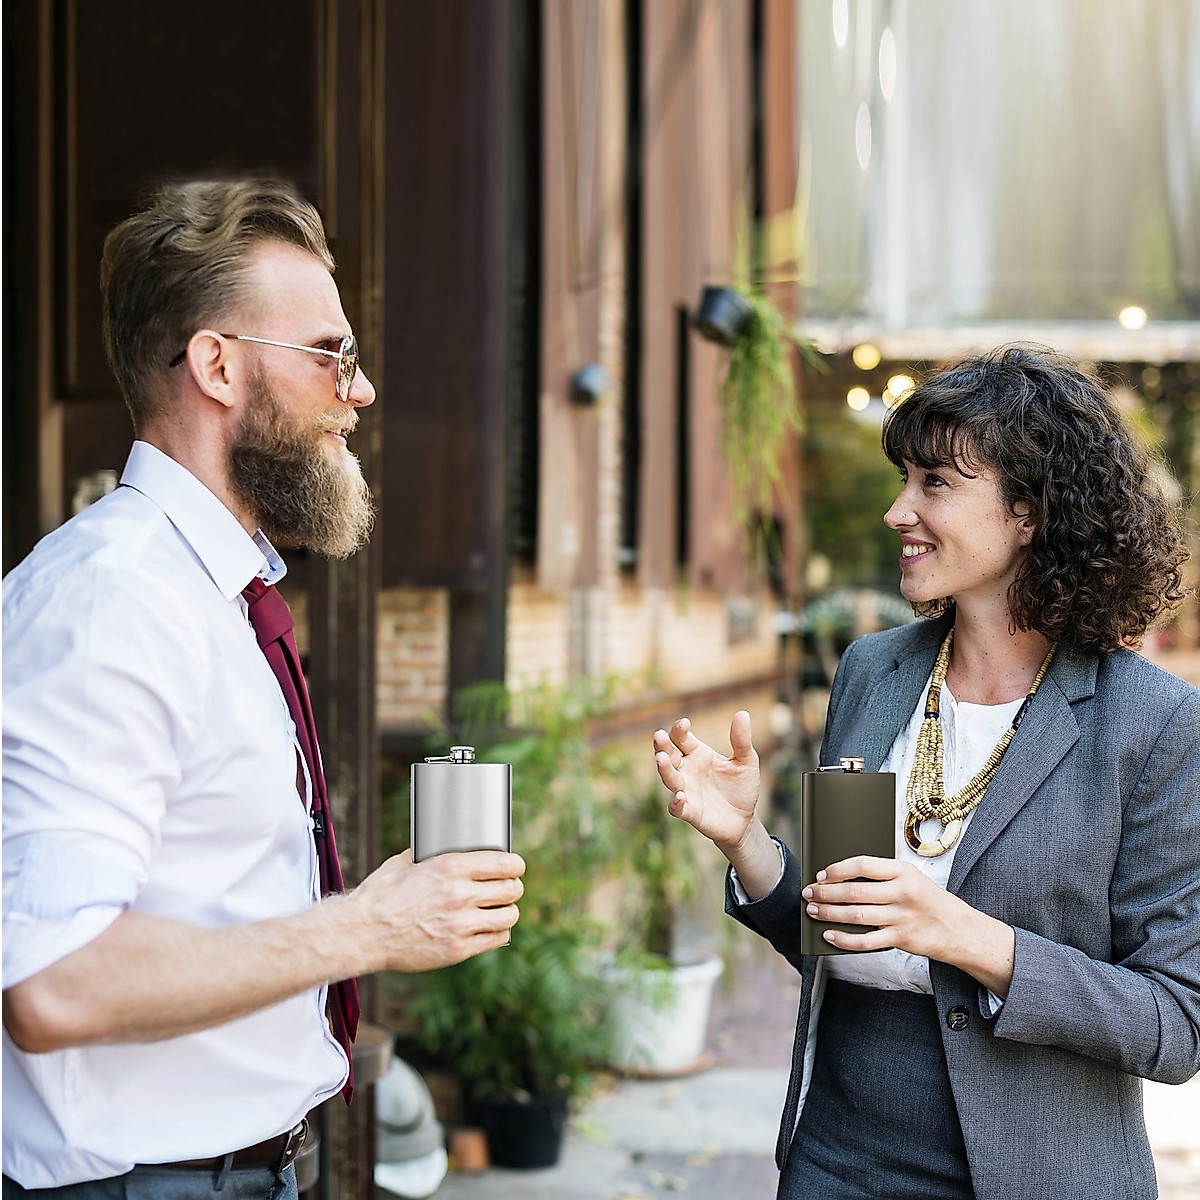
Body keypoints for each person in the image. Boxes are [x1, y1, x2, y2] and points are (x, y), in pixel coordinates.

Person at [2, 180, 526, 1198]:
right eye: (330, 353)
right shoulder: (112, 600)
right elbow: (53, 982)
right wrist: (369, 927)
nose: (360, 390)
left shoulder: (211, 595)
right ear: (218, 366)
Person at [654, 346, 1200, 1200]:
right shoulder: (872, 672)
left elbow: (1173, 1024)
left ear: (1029, 512)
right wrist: (744, 840)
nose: (897, 510)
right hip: (837, 1153)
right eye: (904, 479)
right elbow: (839, 934)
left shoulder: (1155, 722)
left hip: (1037, 1171)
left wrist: (962, 934)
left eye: (935, 483)